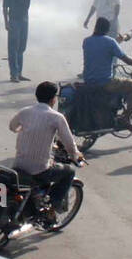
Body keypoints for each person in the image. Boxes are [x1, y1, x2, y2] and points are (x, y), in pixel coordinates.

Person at [9, 81, 84, 212]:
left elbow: (12, 127)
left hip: (18, 165)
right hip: (39, 169)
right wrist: (76, 156)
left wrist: (23, 129)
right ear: (53, 99)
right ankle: (52, 207)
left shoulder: (25, 112)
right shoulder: (56, 117)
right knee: (69, 171)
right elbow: (69, 143)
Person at [82, 16, 132, 121]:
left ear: (95, 27)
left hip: (88, 80)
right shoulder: (110, 42)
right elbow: (125, 58)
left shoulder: (86, 41)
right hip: (105, 82)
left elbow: (98, 53)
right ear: (107, 29)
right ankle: (126, 117)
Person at [2, 0, 42, 82]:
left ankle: (19, 73)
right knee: (13, 48)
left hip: (24, 19)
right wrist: (6, 22)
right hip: (14, 19)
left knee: (21, 47)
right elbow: (5, 7)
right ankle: (14, 74)